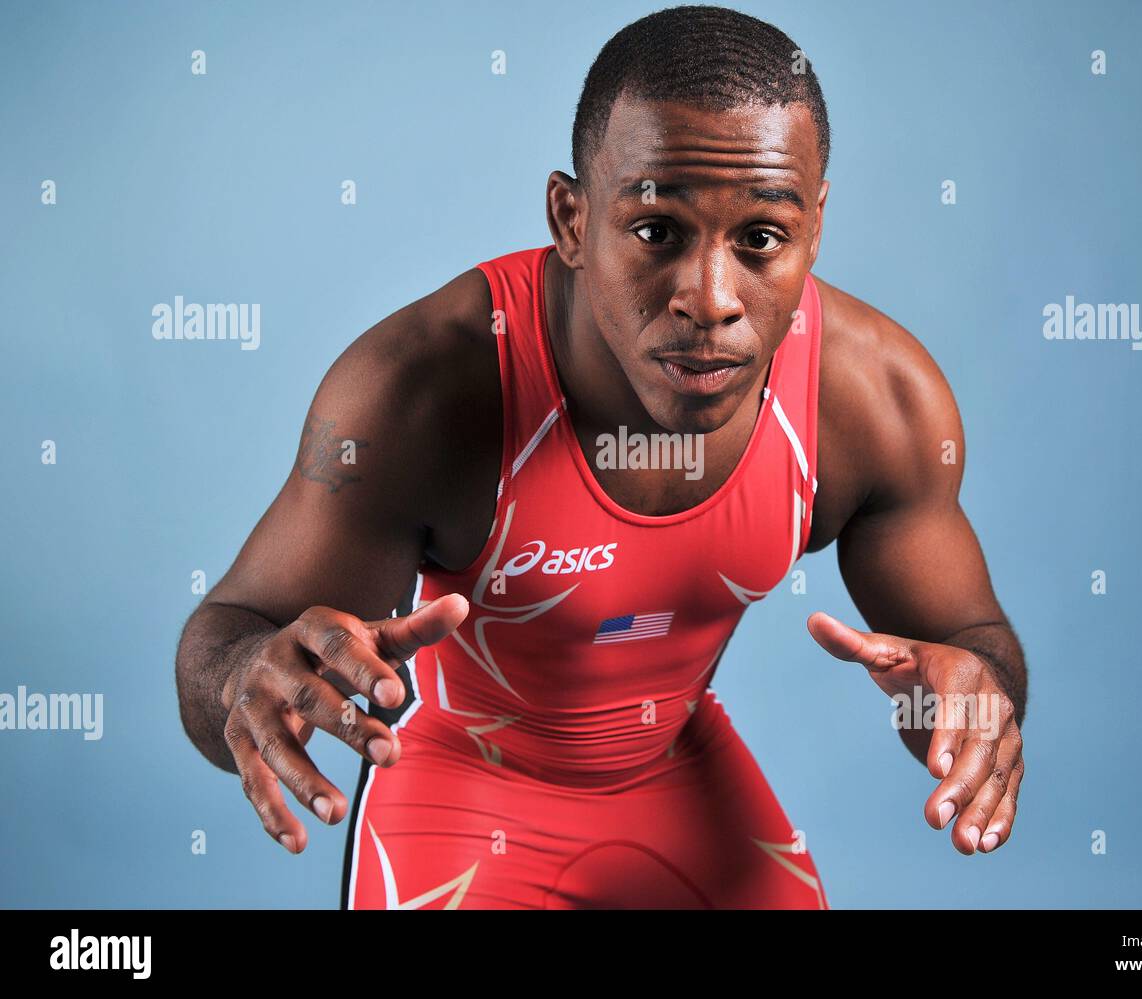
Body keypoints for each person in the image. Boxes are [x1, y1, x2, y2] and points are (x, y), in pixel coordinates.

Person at [175, 4, 1027, 910]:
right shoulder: (422, 391)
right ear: (571, 220)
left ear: (814, 228)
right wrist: (246, 676)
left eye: (762, 240)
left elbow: (971, 644)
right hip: (462, 789)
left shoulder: (875, 403)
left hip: (678, 772)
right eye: (657, 230)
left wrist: (969, 704)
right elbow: (229, 632)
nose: (711, 298)